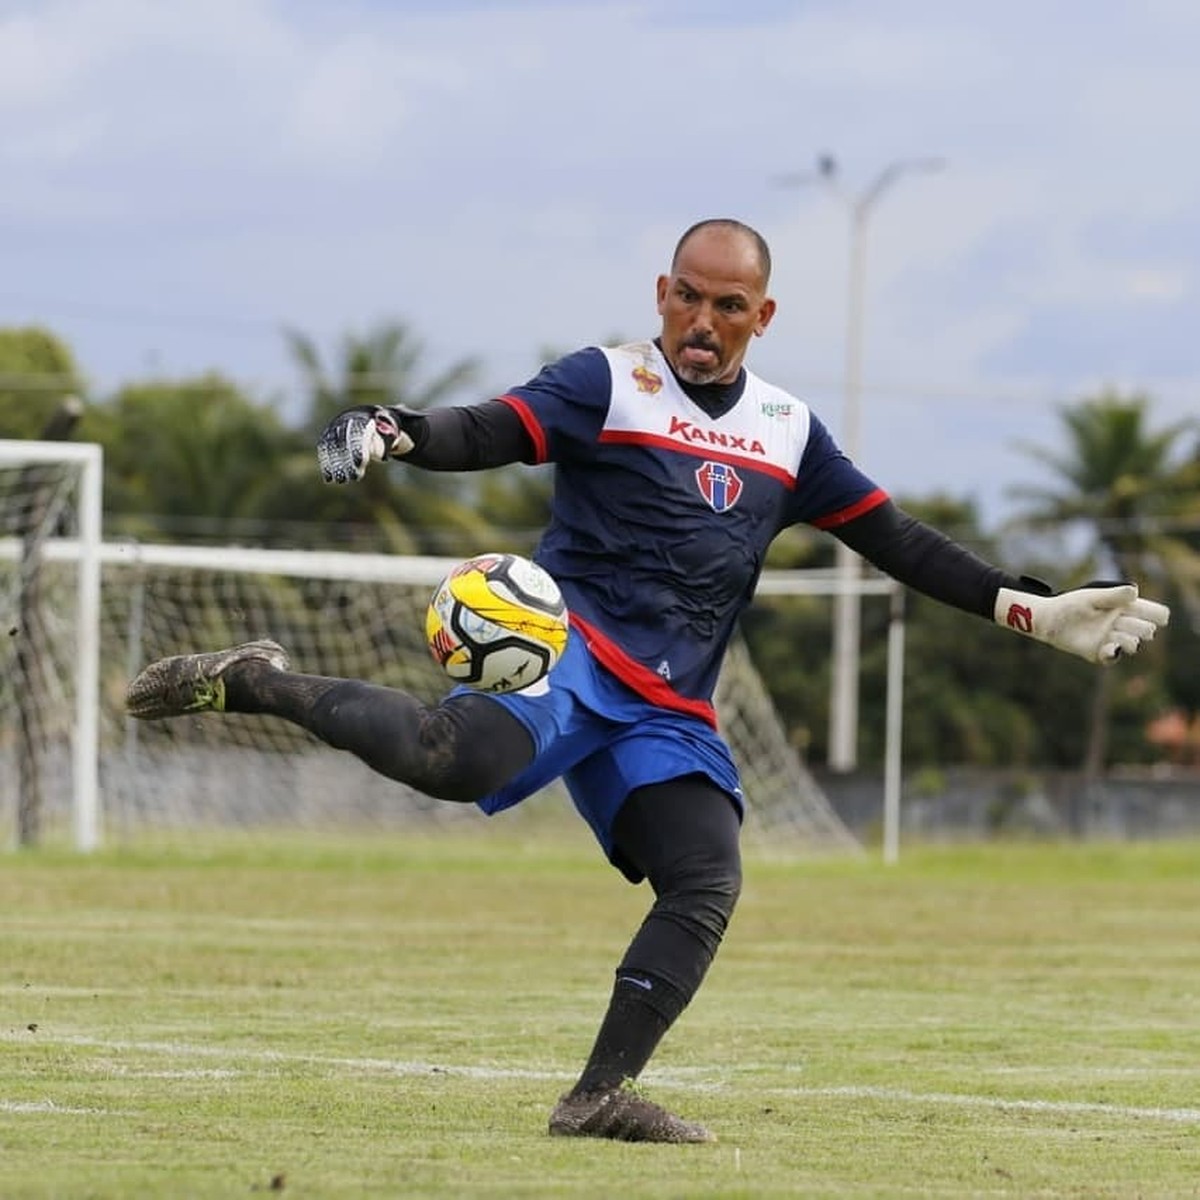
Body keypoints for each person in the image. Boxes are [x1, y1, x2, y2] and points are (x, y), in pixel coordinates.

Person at [126, 218, 1170, 1144]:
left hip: (668, 706)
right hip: (568, 655)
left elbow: (894, 538)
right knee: (449, 764)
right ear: (661, 294)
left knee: (708, 876)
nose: (702, 320)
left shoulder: (788, 433)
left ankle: (595, 1098)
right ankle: (260, 680)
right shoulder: (609, 381)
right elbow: (495, 427)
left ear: (762, 315)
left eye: (728, 304)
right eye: (687, 295)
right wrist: (397, 426)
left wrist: (1024, 608)